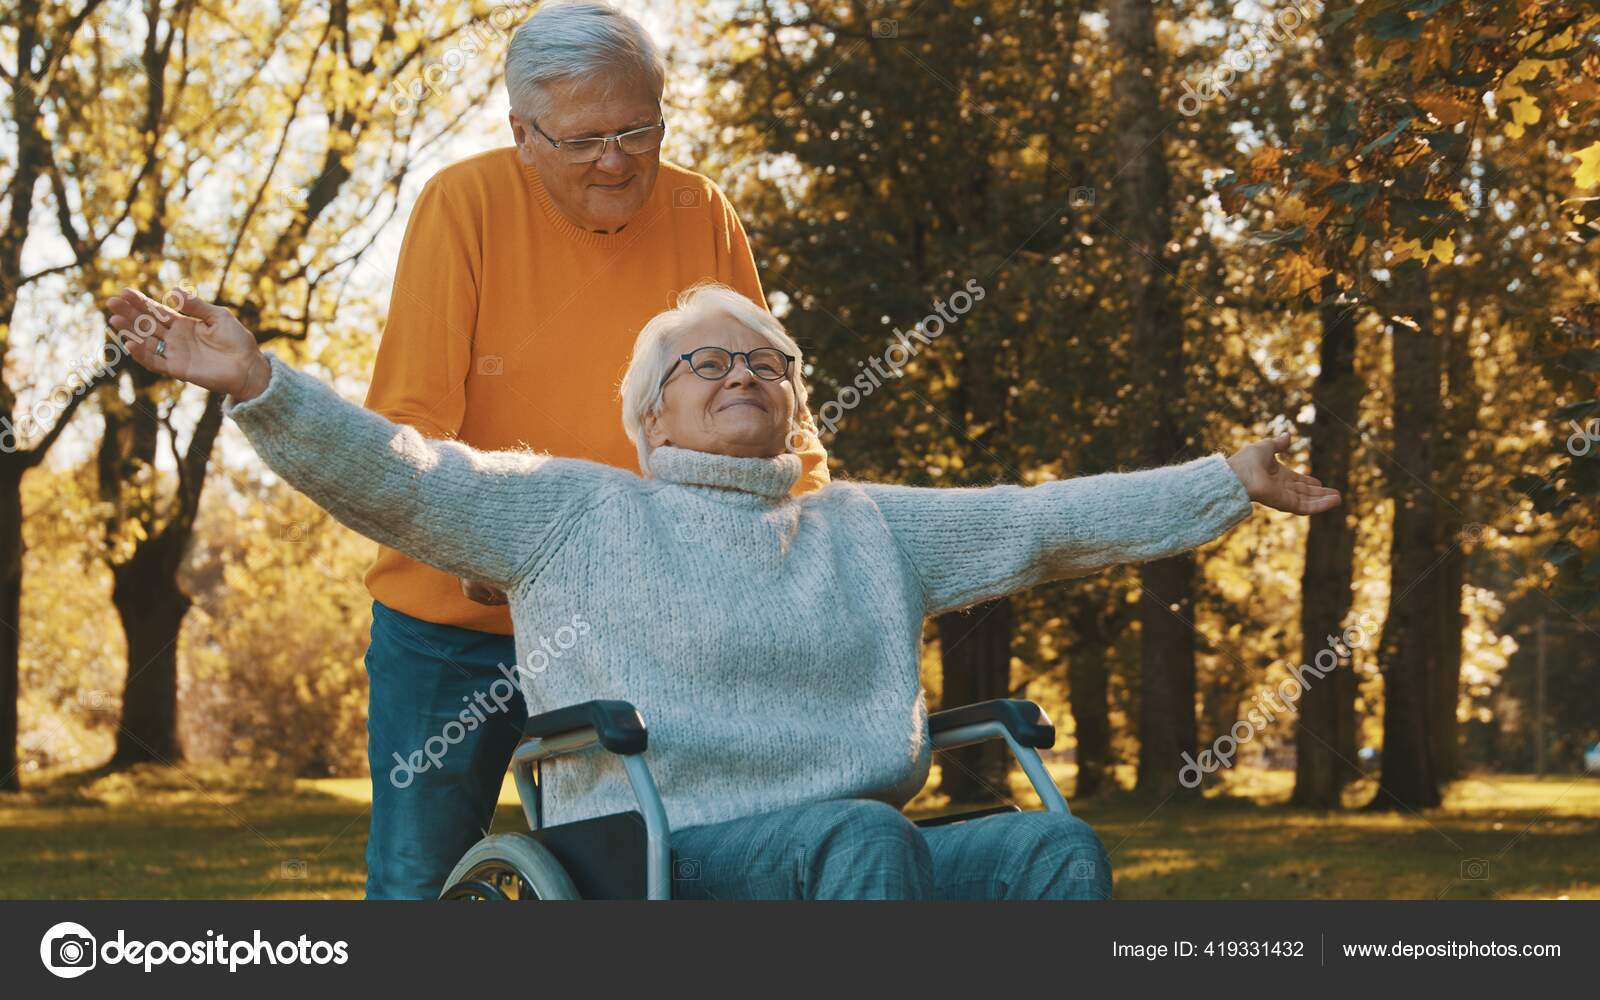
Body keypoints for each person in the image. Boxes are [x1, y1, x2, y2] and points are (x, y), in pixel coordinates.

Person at [104, 281, 1340, 900]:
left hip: (852, 863)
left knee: (1050, 852)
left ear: (797, 403)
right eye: (704, 361)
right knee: (866, 837)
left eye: (767, 362)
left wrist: (1223, 479)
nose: (740, 372)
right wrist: (261, 384)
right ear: (647, 414)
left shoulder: (865, 524)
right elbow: (405, 476)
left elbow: (1043, 523)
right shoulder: (582, 506)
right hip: (650, 845)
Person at [358, 0, 827, 897]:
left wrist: (807, 530)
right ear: (522, 133)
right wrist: (481, 547)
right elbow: (411, 423)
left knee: (641, 874)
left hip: (635, 617)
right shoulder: (464, 204)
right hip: (452, 628)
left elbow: (772, 407)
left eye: (636, 130)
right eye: (581, 141)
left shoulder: (701, 209)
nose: (614, 160)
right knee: (417, 880)